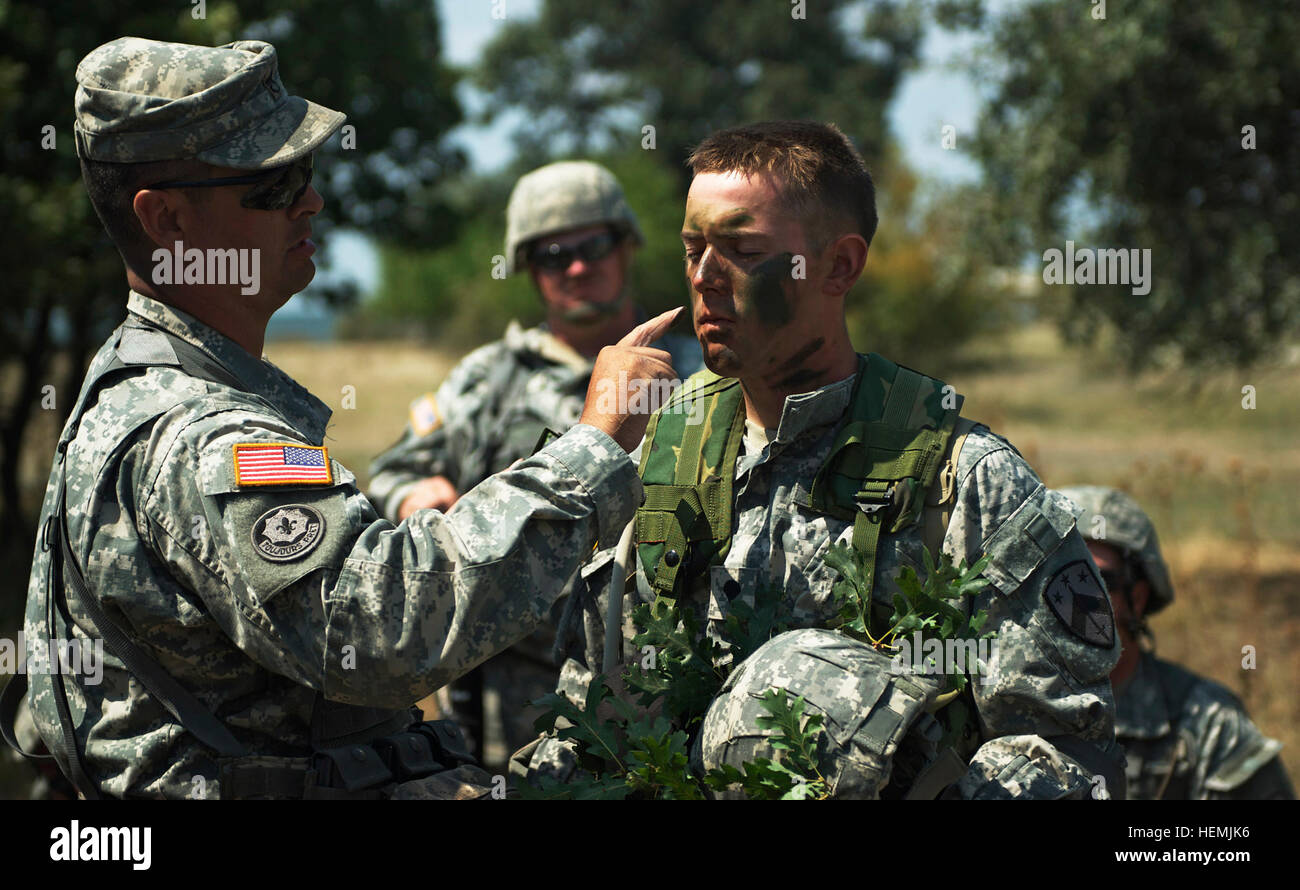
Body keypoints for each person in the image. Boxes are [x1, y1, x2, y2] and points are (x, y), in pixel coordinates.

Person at [0, 36, 677, 799]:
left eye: (306, 174)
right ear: (169, 221)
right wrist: (591, 447)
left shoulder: (135, 379)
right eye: (272, 184)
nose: (310, 201)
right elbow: (383, 629)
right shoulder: (200, 434)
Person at [526, 120, 1125, 799]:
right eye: (693, 247)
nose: (703, 277)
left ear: (839, 265)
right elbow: (589, 727)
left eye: (741, 249)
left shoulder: (964, 480)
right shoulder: (649, 456)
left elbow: (1065, 752)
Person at [368, 161, 700, 771]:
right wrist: (420, 496)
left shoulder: (695, 370)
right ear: (529, 270)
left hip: (674, 698)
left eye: (593, 245)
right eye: (552, 255)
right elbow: (392, 471)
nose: (577, 267)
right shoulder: (490, 379)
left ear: (627, 246)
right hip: (520, 717)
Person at [1059, 485, 1295, 800]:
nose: (1077, 600)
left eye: (1099, 582)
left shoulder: (1208, 725)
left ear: (1137, 598)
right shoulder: (995, 710)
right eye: (1060, 579)